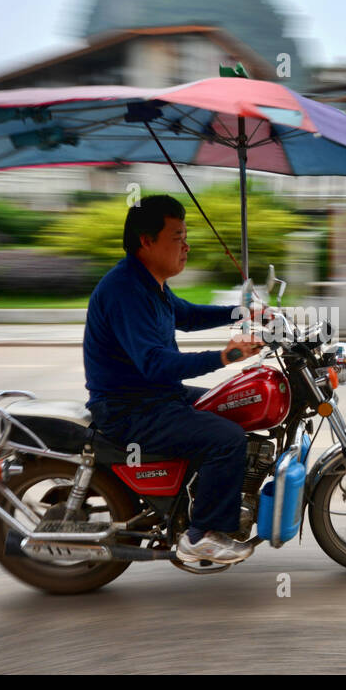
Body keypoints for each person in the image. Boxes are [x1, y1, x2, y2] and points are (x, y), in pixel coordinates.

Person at [83, 194, 268, 565]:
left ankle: (201, 498)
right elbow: (155, 363)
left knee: (238, 404)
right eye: (177, 236)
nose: (186, 245)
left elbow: (188, 315)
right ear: (146, 241)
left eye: (186, 235)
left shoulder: (151, 284)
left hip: (157, 397)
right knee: (227, 439)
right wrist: (225, 356)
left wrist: (245, 311)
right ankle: (203, 535)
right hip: (130, 409)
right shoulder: (125, 290)